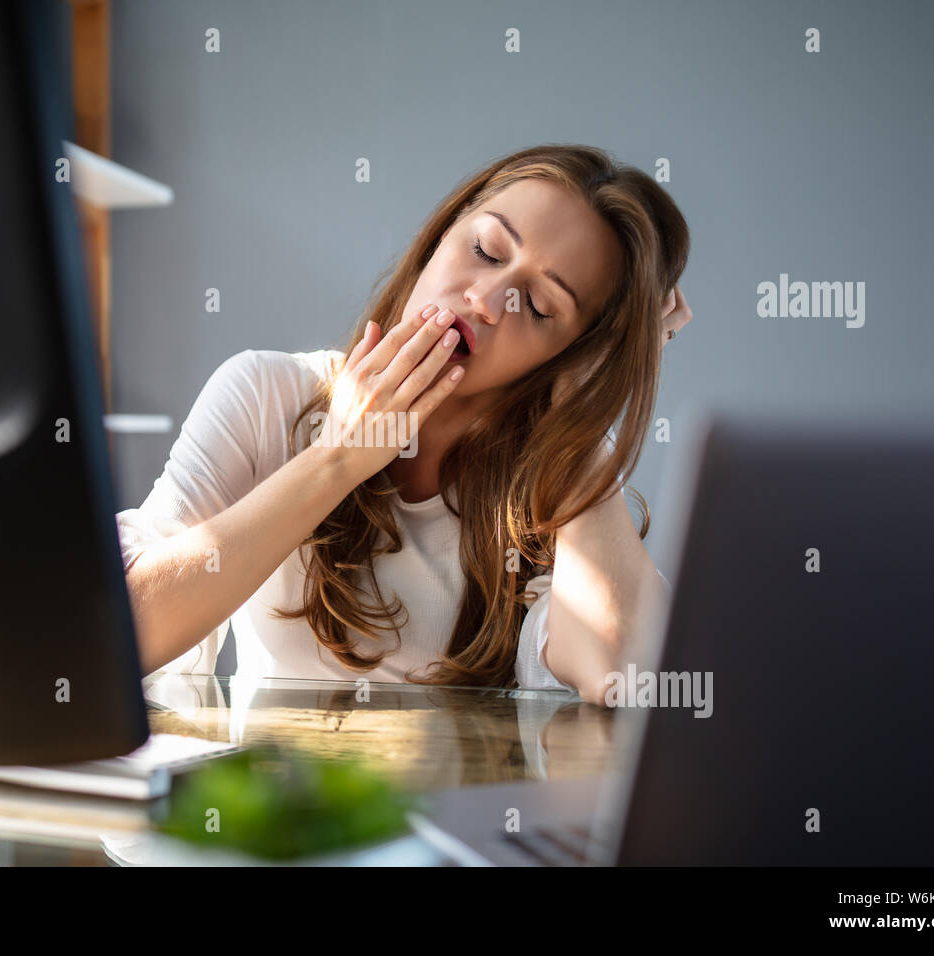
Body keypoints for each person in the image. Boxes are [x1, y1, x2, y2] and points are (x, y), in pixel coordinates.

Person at [116, 144, 692, 701]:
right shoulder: (267, 394)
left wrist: (587, 410)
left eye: (541, 306)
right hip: (276, 799)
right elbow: (121, 630)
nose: (487, 299)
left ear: (569, 354)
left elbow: (622, 675)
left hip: (461, 804)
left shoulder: (553, 484)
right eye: (487, 250)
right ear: (441, 235)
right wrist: (338, 458)